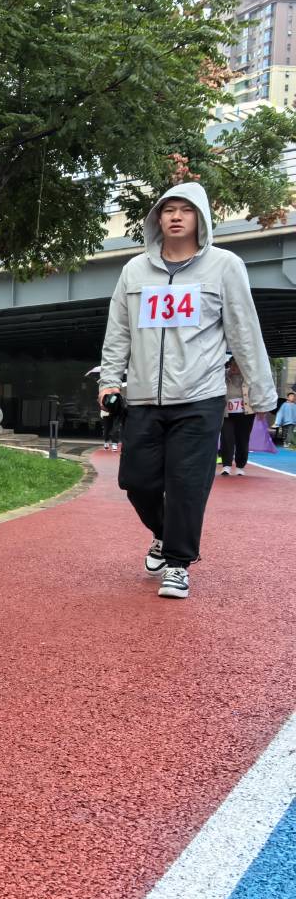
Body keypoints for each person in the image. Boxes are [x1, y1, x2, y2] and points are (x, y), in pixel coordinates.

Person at [98, 182, 276, 600]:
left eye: (186, 210)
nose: (176, 216)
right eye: (168, 209)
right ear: (157, 219)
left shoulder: (224, 266)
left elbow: (244, 332)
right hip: (142, 398)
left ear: (201, 218)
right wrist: (110, 379)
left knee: (186, 483)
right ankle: (163, 533)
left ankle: (178, 563)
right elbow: (119, 331)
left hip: (200, 397)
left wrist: (262, 394)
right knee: (136, 481)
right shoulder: (134, 271)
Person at [218, 357, 254, 476]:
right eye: (232, 365)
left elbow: (257, 391)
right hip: (226, 413)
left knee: (242, 439)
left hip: (245, 413)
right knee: (226, 438)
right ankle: (226, 465)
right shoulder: (222, 376)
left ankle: (240, 465)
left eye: (237, 365)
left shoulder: (249, 377)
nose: (234, 367)